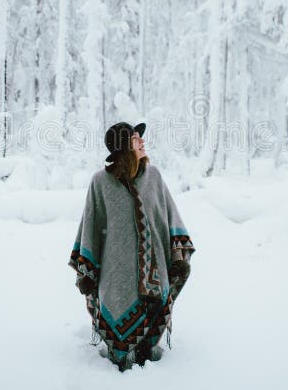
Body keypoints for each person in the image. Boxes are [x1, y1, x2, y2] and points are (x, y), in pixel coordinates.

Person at [69, 122, 195, 371]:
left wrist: (177, 256)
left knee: (150, 324)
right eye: (136, 139)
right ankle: (120, 364)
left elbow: (169, 217)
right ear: (125, 146)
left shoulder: (153, 177)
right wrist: (87, 271)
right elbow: (91, 226)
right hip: (115, 275)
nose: (142, 142)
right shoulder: (101, 182)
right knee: (118, 307)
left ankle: (146, 356)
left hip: (154, 276)